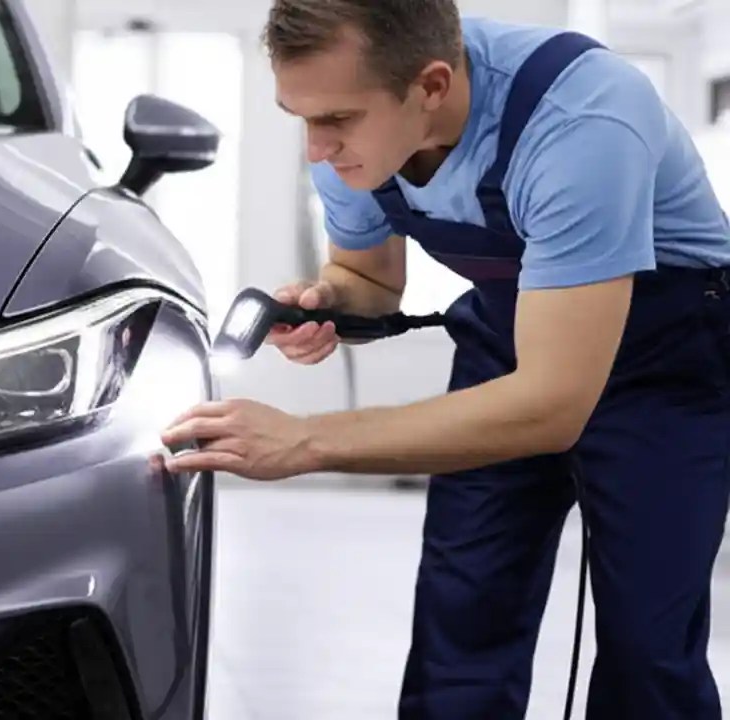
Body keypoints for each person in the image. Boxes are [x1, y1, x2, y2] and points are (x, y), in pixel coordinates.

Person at [159, 1, 730, 718]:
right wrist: (331, 302)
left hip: (664, 363)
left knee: (647, 646)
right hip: (509, 338)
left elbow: (551, 406)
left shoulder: (581, 121)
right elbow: (368, 279)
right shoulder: (353, 134)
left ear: (430, 86)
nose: (316, 149)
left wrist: (305, 439)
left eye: (336, 120)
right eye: (299, 118)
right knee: (462, 619)